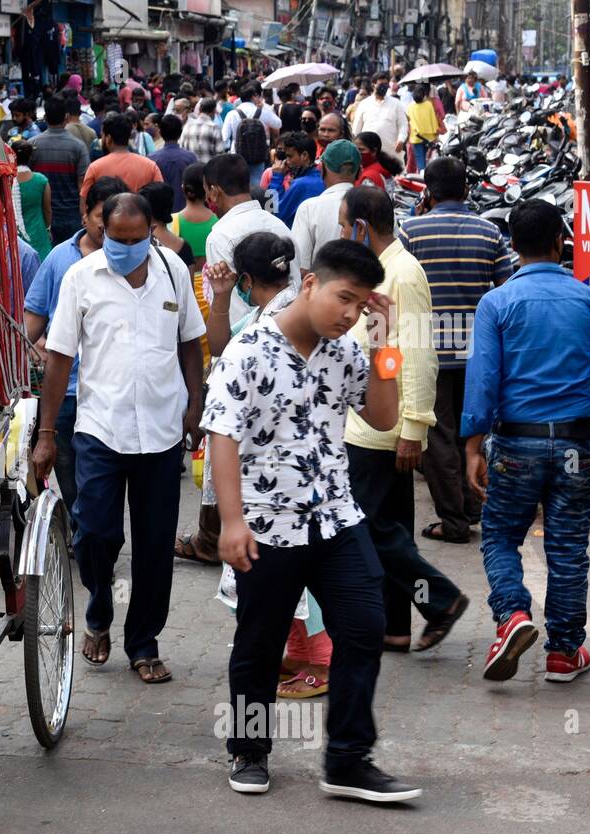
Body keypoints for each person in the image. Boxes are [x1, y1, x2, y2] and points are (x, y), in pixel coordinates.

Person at [205, 239, 421, 802]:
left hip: (336, 519)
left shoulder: (346, 351)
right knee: (259, 644)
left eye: (360, 305)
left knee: (365, 627)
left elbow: (384, 416)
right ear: (309, 283)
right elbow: (222, 435)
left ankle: (347, 760)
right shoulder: (249, 350)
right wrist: (232, 521)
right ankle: (249, 750)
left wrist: (384, 346)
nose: (350, 314)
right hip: (267, 526)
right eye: (343, 298)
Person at [34, 189, 205, 684]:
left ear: (151, 232)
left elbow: (190, 342)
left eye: (135, 239)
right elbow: (59, 358)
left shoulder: (173, 272)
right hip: (100, 429)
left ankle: (144, 642)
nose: (126, 247)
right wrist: (46, 433)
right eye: (116, 238)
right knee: (95, 533)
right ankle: (99, 608)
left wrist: (195, 402)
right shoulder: (80, 277)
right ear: (100, 229)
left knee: (154, 546)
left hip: (162, 430)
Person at [462, 201, 590, 684]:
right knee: (568, 547)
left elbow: (483, 381)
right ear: (559, 243)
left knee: (500, 535)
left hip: (515, 446)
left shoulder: (497, 303)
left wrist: (472, 445)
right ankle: (565, 653)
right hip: (574, 444)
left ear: (512, 246)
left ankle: (512, 615)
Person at [339, 186, 468, 653]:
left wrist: (413, 426)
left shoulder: (404, 273)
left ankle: (442, 600)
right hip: (375, 421)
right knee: (391, 533)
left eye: (343, 226)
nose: (340, 234)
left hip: (382, 429)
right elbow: (386, 351)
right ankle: (395, 627)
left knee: (372, 530)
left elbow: (416, 354)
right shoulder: (379, 273)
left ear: (360, 227)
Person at [398, 157, 514, 544]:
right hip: (479, 351)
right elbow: (505, 293)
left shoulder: (410, 231)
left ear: (427, 192)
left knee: (438, 437)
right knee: (472, 430)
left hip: (428, 349)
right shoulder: (490, 233)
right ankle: (472, 505)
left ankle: (454, 519)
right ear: (466, 189)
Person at [175, 231, 298, 569]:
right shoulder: (265, 312)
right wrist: (222, 297)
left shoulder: (280, 316)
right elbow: (219, 346)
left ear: (246, 279)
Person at [26, 176, 130, 530]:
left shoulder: (136, 263)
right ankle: (82, 535)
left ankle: (97, 537)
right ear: (86, 215)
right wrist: (22, 352)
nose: (109, 226)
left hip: (113, 393)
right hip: (66, 392)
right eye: (103, 217)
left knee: (104, 482)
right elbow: (34, 316)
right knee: (71, 481)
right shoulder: (60, 258)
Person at [202, 153, 298, 325]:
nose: (206, 199)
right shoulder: (279, 225)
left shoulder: (219, 237)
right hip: (292, 324)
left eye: (206, 192)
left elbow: (234, 310)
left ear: (214, 192)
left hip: (251, 335)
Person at [290, 139, 360, 273]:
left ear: (322, 169)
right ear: (359, 172)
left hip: (323, 284)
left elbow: (300, 268)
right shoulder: (375, 203)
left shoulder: (309, 208)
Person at [29, 96, 90, 244]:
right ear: (67, 117)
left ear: (45, 117)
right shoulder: (78, 147)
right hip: (72, 215)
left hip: (42, 215)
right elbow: (83, 185)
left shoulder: (32, 145)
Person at [79, 114, 162, 203]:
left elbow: (84, 202)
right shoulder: (150, 166)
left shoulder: (95, 168)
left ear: (108, 138)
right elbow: (161, 196)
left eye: (102, 136)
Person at [222, 83, 282, 188]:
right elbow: (278, 124)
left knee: (239, 185)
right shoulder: (262, 112)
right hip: (258, 155)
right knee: (258, 185)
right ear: (254, 96)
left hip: (237, 155)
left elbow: (225, 137)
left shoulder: (232, 114)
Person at [169, 163, 217, 269]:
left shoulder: (171, 223)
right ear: (209, 189)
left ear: (183, 188)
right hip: (211, 279)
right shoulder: (219, 222)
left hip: (183, 278)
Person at [149, 115, 197, 214]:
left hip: (161, 213)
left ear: (160, 132)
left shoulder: (151, 159)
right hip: (186, 211)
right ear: (180, 133)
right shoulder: (190, 157)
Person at [14, 141, 53, 261]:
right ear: (30, 157)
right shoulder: (41, 180)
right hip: (38, 235)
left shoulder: (8, 181)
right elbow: (47, 209)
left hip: (16, 236)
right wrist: (48, 229)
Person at [275, 131, 323, 229]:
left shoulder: (300, 185)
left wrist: (276, 177)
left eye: (290, 156)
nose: (286, 161)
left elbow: (272, 212)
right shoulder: (323, 178)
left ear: (304, 155)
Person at [352, 75, 408, 156]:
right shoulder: (364, 104)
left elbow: (403, 124)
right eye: (381, 84)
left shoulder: (396, 104)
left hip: (391, 152)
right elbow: (356, 128)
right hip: (368, 152)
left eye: (386, 84)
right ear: (373, 85)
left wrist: (401, 140)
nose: (384, 87)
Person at [406, 84, 440, 172]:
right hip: (429, 136)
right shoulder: (428, 104)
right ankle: (428, 173)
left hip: (416, 136)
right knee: (429, 157)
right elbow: (433, 120)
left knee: (419, 158)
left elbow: (408, 120)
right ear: (424, 95)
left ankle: (422, 173)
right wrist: (436, 134)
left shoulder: (410, 106)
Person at [184, 99, 225, 164]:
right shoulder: (214, 128)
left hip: (191, 168)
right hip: (209, 168)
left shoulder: (187, 126)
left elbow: (182, 149)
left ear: (200, 110)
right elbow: (220, 154)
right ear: (213, 111)